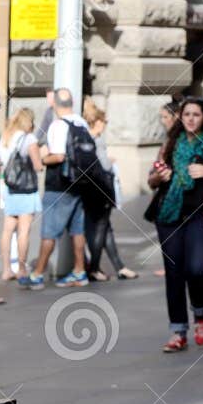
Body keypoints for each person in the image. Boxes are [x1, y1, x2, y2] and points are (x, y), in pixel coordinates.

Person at [148, 97, 203, 352]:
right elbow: (151, 181)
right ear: (181, 117)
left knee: (195, 269)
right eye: (187, 114)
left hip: (202, 217)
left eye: (196, 114)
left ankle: (199, 314)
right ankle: (178, 331)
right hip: (169, 216)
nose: (191, 119)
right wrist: (159, 176)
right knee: (174, 273)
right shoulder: (170, 145)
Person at [29, 87, 91, 289]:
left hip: (58, 185)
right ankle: (80, 272)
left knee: (49, 232)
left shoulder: (57, 125)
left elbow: (58, 156)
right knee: (77, 231)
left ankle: (37, 274)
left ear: (55, 104)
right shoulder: (81, 122)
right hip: (80, 184)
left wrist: (41, 159)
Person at [82, 98, 138, 282]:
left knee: (105, 229)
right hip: (101, 189)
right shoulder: (97, 140)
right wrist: (110, 161)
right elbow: (104, 164)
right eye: (104, 122)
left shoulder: (84, 137)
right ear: (97, 122)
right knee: (101, 228)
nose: (105, 125)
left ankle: (119, 267)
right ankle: (94, 268)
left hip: (89, 189)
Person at [0, 108, 43, 290]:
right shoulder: (29, 139)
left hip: (10, 188)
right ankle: (22, 270)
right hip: (26, 190)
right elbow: (38, 165)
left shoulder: (6, 137)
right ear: (29, 122)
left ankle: (6, 269)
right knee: (23, 231)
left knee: (7, 230)